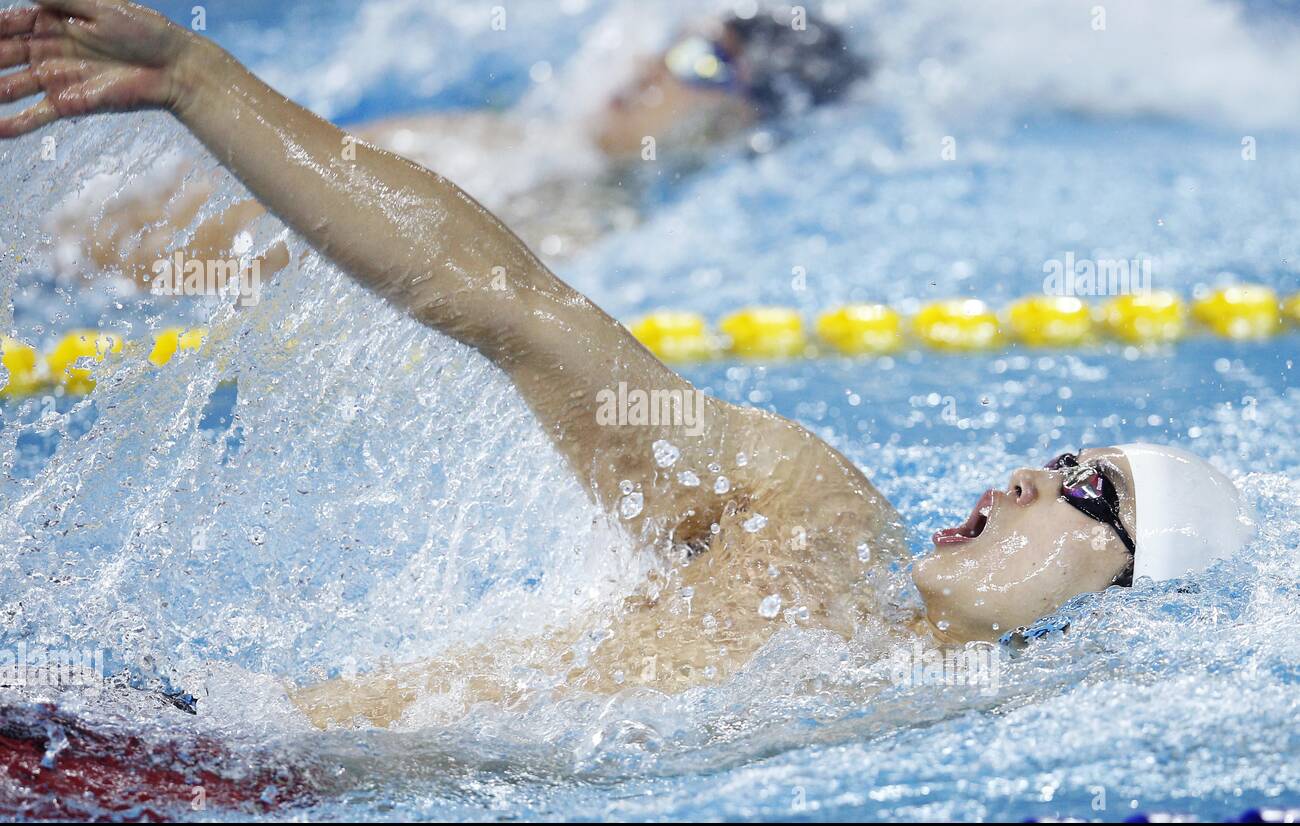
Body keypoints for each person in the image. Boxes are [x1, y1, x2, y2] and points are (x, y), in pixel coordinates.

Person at [0, 0, 1254, 729]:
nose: (1029, 478)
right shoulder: (809, 529)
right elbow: (511, 307)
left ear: (1129, 601)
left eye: (1089, 489)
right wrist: (200, 81)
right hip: (165, 753)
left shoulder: (952, 718)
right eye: (1050, 460)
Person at [43, 3, 869, 287]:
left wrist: (73, 253)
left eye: (699, 63)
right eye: (677, 39)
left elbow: (248, 261)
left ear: (739, 122)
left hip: (87, 270)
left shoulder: (573, 222)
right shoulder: (535, 145)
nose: (654, 65)